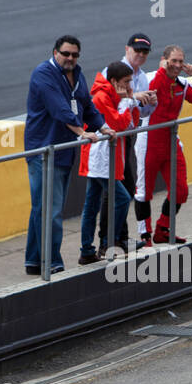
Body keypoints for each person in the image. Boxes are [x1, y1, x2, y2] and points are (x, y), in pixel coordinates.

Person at [24, 35, 112, 275]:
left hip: (64, 152)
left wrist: (102, 127)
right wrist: (81, 132)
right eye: (66, 54)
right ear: (55, 52)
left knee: (42, 208)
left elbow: (87, 106)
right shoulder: (43, 75)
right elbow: (59, 108)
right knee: (50, 211)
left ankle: (33, 261)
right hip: (44, 151)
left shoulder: (77, 76)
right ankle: (52, 261)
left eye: (75, 55)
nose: (70, 58)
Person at [136, 45, 192, 245]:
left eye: (181, 61)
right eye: (173, 61)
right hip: (149, 140)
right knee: (144, 191)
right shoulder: (154, 78)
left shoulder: (183, 84)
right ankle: (145, 236)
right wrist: (163, 70)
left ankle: (163, 228)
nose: (177, 65)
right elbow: (156, 87)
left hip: (171, 141)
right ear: (164, 60)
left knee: (181, 190)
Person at [79, 62, 140, 263]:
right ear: (114, 81)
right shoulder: (102, 97)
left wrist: (129, 100)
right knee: (120, 198)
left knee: (92, 204)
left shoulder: (112, 96)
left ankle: (88, 250)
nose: (129, 86)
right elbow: (119, 124)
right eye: (126, 82)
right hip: (99, 159)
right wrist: (126, 103)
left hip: (104, 160)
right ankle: (107, 243)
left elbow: (132, 123)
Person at [119, 33, 158, 239]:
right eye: (137, 51)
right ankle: (114, 239)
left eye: (145, 52)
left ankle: (120, 237)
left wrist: (151, 103)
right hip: (112, 138)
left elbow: (142, 114)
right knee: (118, 192)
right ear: (127, 49)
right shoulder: (115, 70)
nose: (141, 55)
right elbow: (111, 101)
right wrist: (135, 97)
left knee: (124, 190)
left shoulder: (142, 77)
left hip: (127, 136)